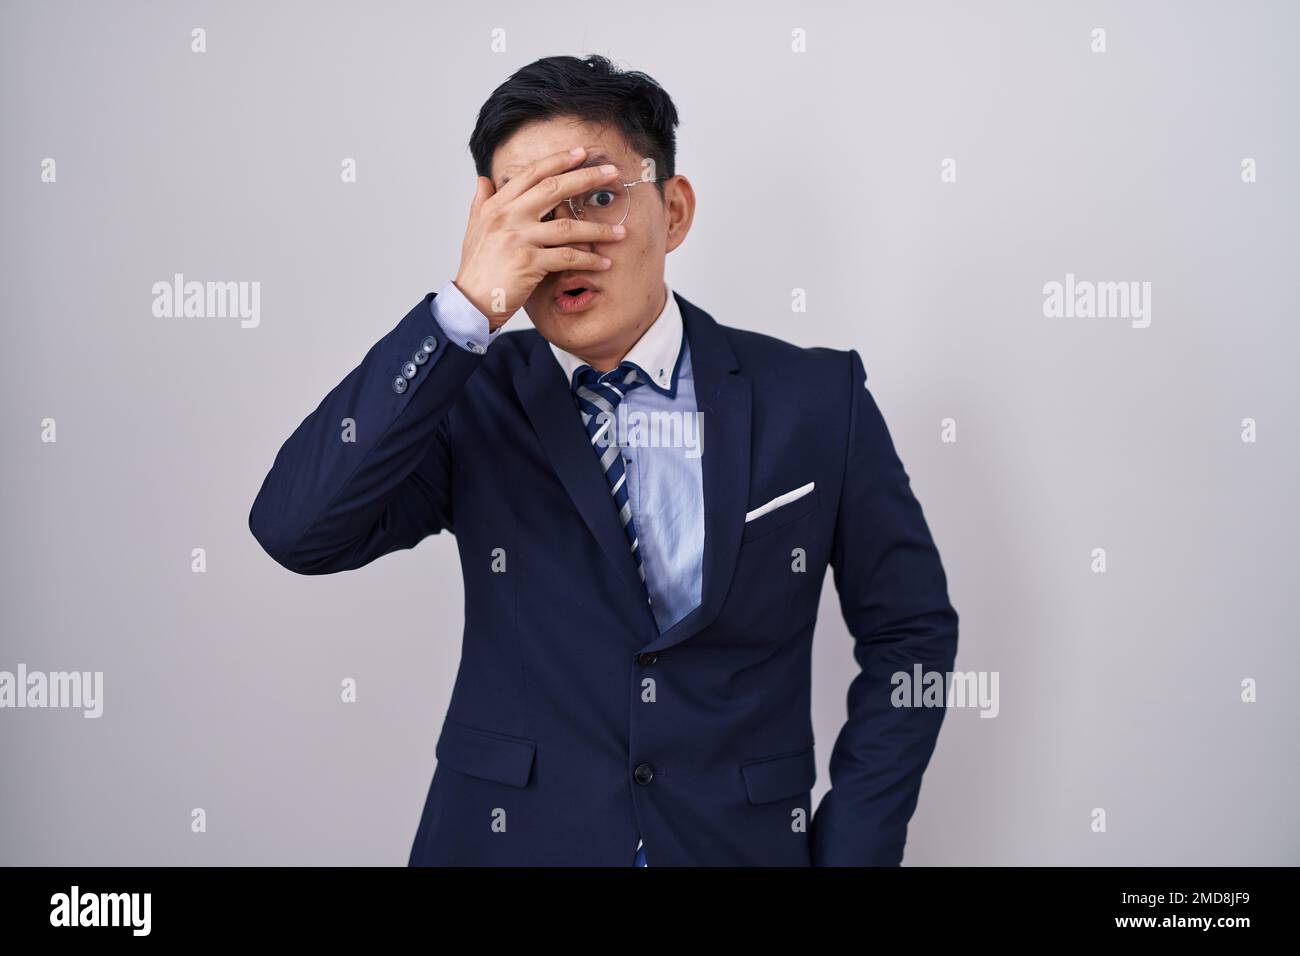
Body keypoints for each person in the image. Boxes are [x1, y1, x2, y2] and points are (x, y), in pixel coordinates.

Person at [248, 54, 958, 866]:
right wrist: (466, 306)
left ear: (675, 209)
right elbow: (294, 530)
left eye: (599, 197)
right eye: (536, 210)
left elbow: (911, 634)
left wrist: (855, 851)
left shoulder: (817, 397)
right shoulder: (466, 397)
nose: (570, 240)